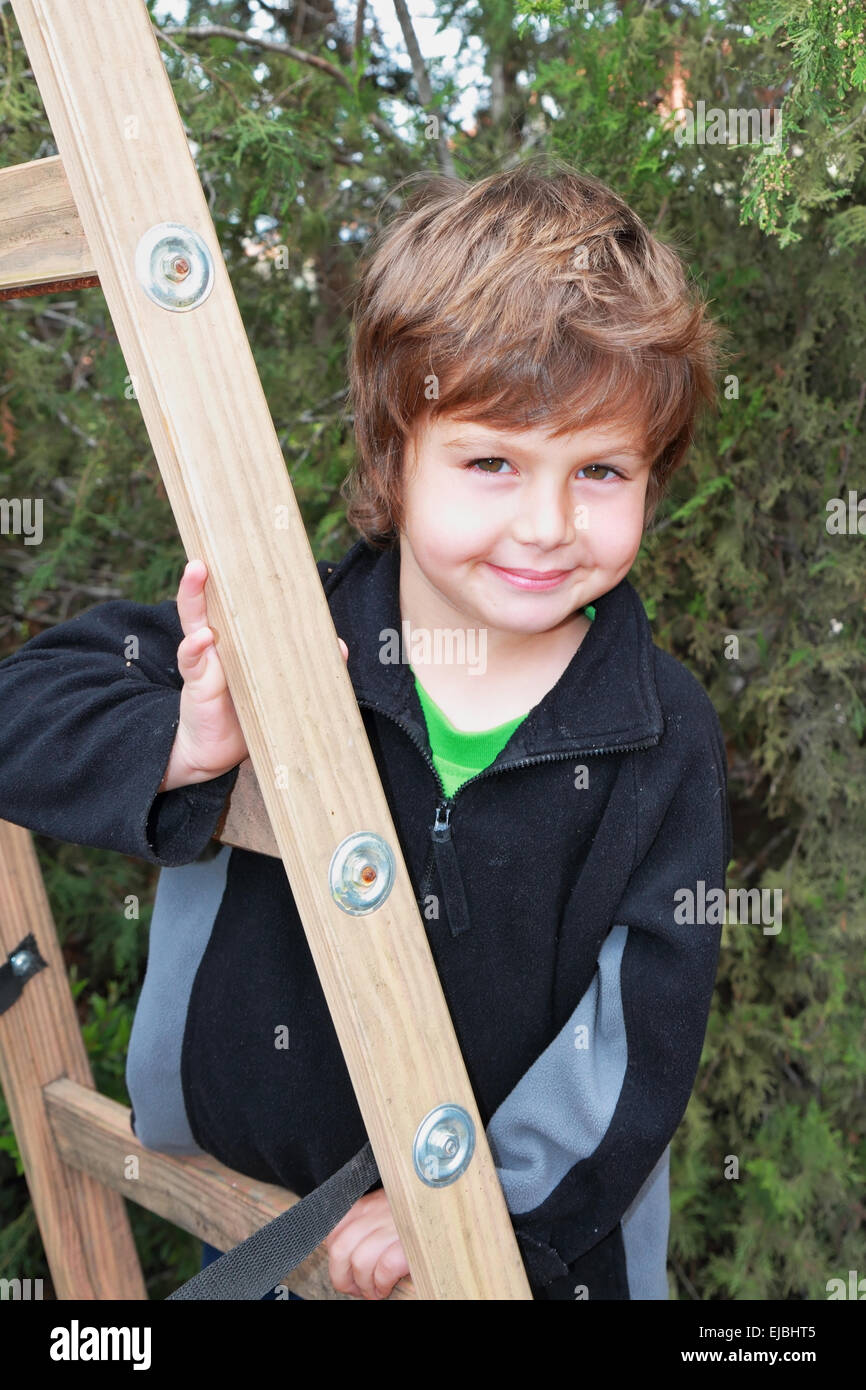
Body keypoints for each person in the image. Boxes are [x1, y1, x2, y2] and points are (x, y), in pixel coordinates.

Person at [0, 154, 732, 1301]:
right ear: (394, 457)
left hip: (520, 1253)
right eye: (490, 460)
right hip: (259, 1219)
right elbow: (22, 707)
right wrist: (186, 743)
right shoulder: (276, 638)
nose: (545, 524)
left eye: (597, 469)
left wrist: (473, 1195)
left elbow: (638, 1028)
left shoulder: (658, 729)